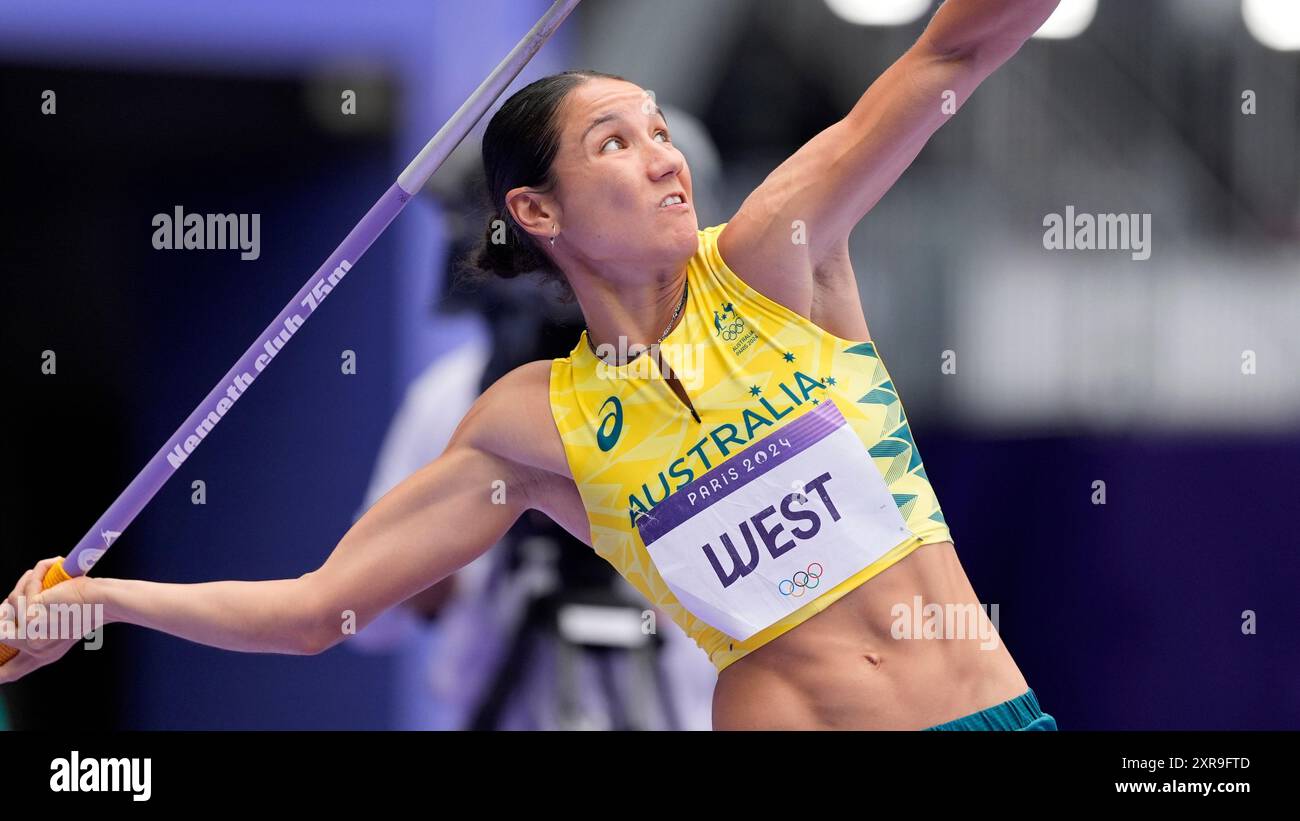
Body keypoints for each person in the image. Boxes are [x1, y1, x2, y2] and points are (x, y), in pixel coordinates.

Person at [2, 0, 1062, 730]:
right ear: (535, 208)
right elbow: (318, 609)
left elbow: (953, 53)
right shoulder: (532, 423)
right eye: (614, 140)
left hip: (978, 710)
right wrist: (108, 600)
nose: (661, 155)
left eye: (659, 129)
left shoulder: (775, 254)